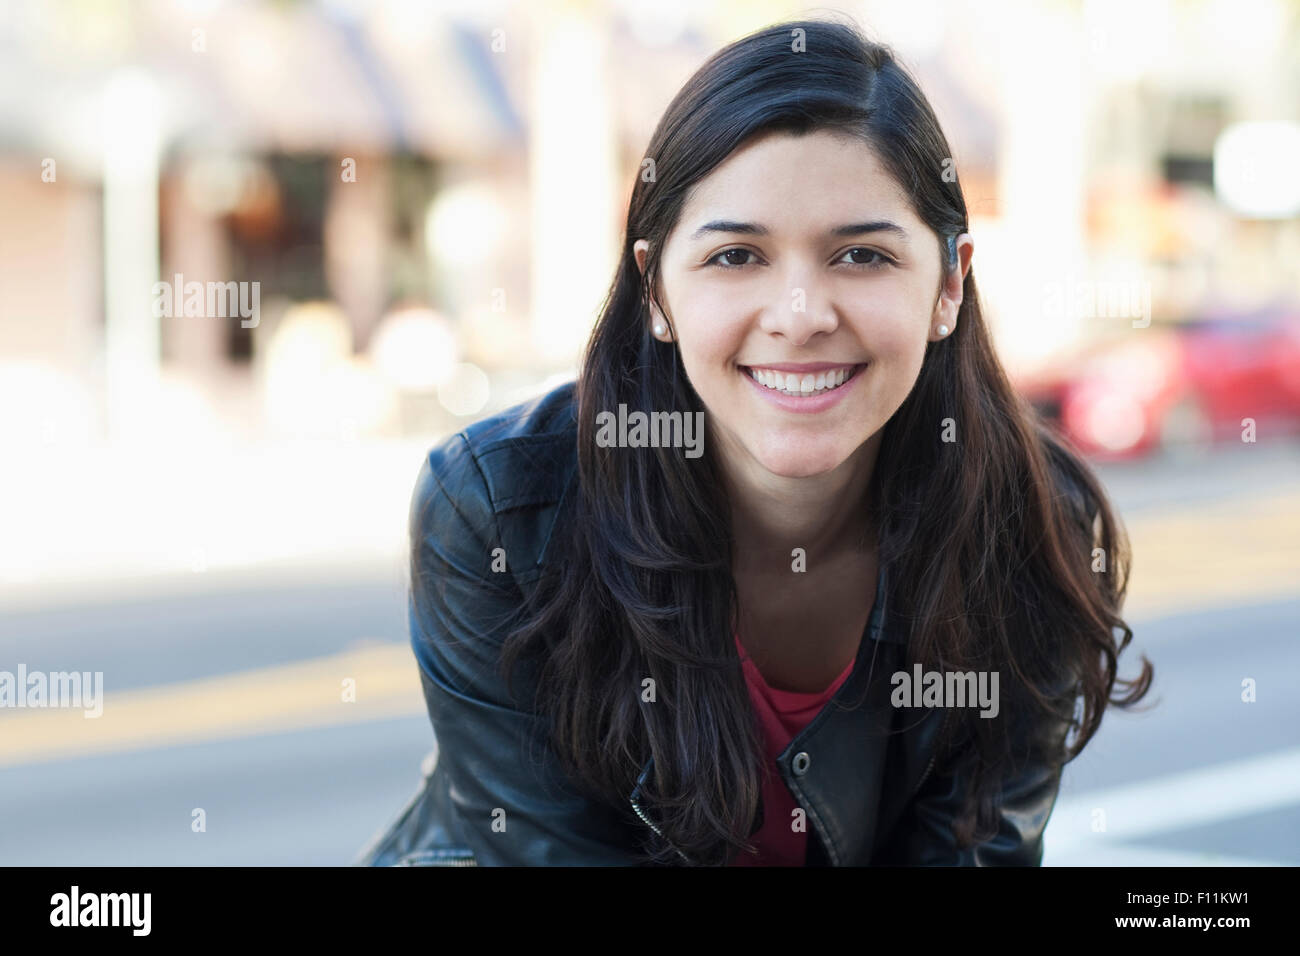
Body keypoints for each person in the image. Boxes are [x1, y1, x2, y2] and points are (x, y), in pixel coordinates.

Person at [357, 15, 1152, 867]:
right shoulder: (499, 510)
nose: (801, 316)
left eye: (861, 257)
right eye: (737, 257)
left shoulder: (1033, 527)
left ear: (948, 285)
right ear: (656, 292)